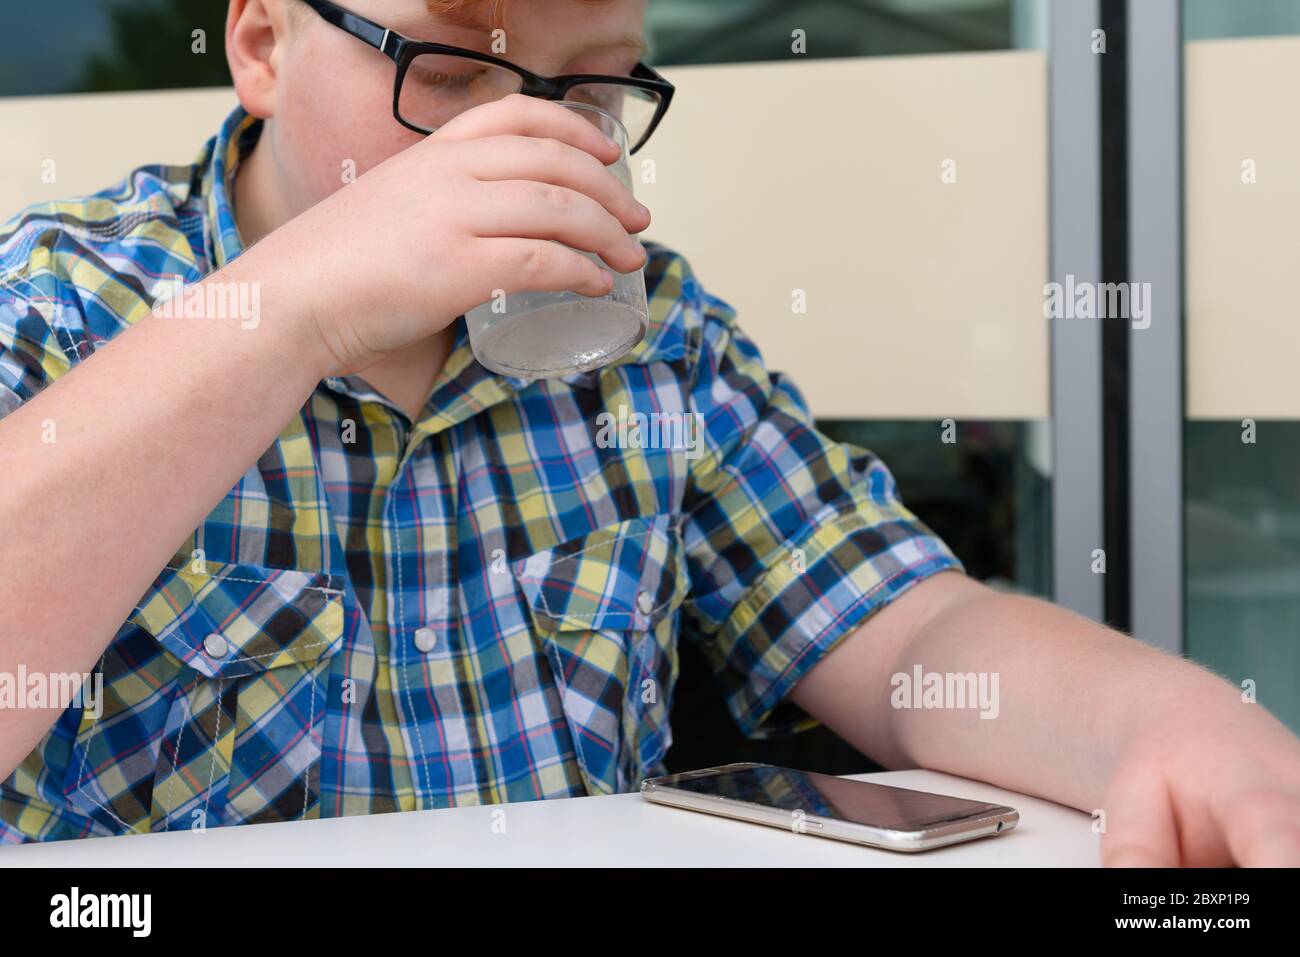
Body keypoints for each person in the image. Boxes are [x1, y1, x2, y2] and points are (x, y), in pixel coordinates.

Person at [0, 0, 1296, 865]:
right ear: (263, 42)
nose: (532, 136)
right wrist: (291, 314)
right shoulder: (57, 305)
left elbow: (908, 633)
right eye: (448, 68)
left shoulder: (652, 336)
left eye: (598, 90)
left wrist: (1162, 723)